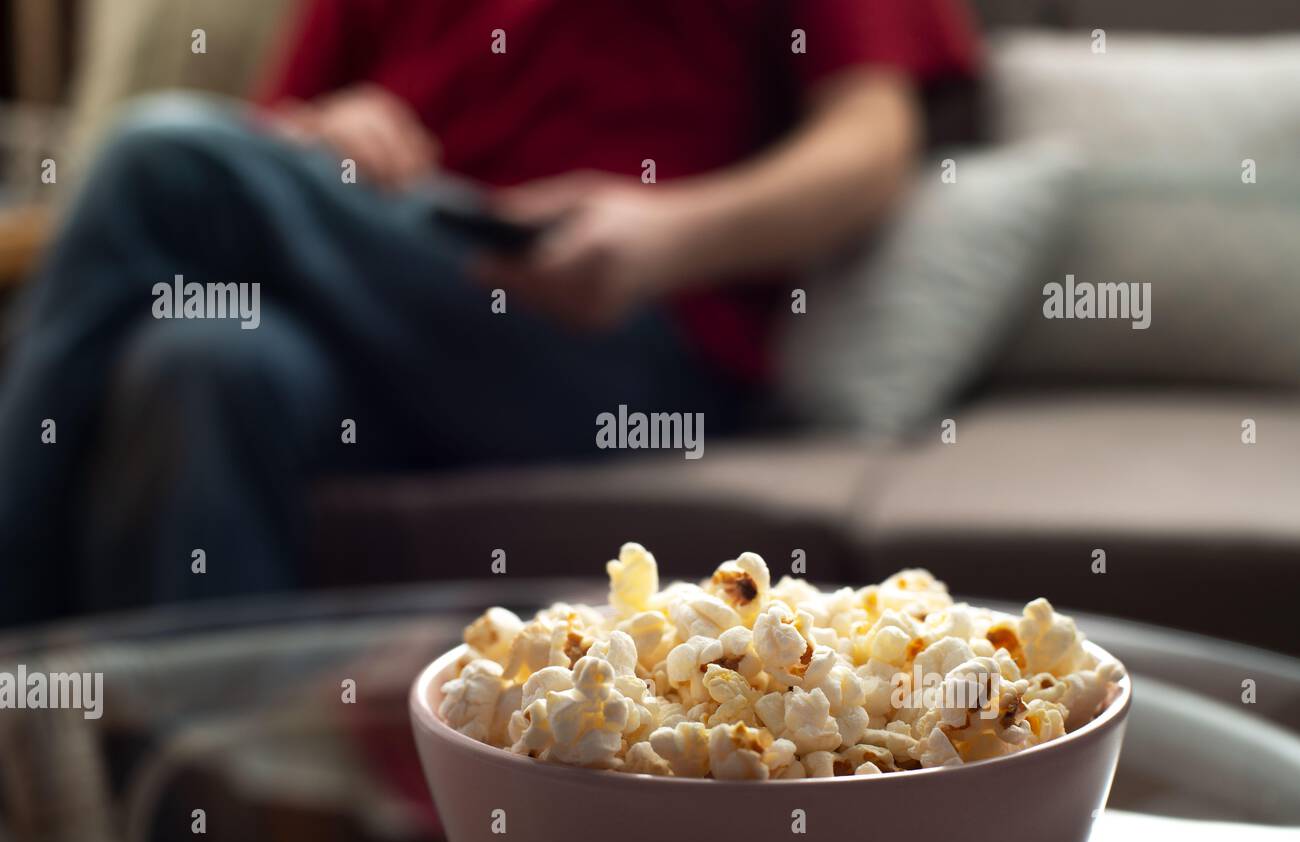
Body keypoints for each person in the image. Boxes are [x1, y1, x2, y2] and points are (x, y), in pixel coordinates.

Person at [0, 0, 977, 627]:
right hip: (383, 297)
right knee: (200, 360)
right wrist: (325, 134)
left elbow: (872, 138)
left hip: (611, 334)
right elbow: (280, 142)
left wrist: (668, 236)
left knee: (159, 158)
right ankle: (170, 821)